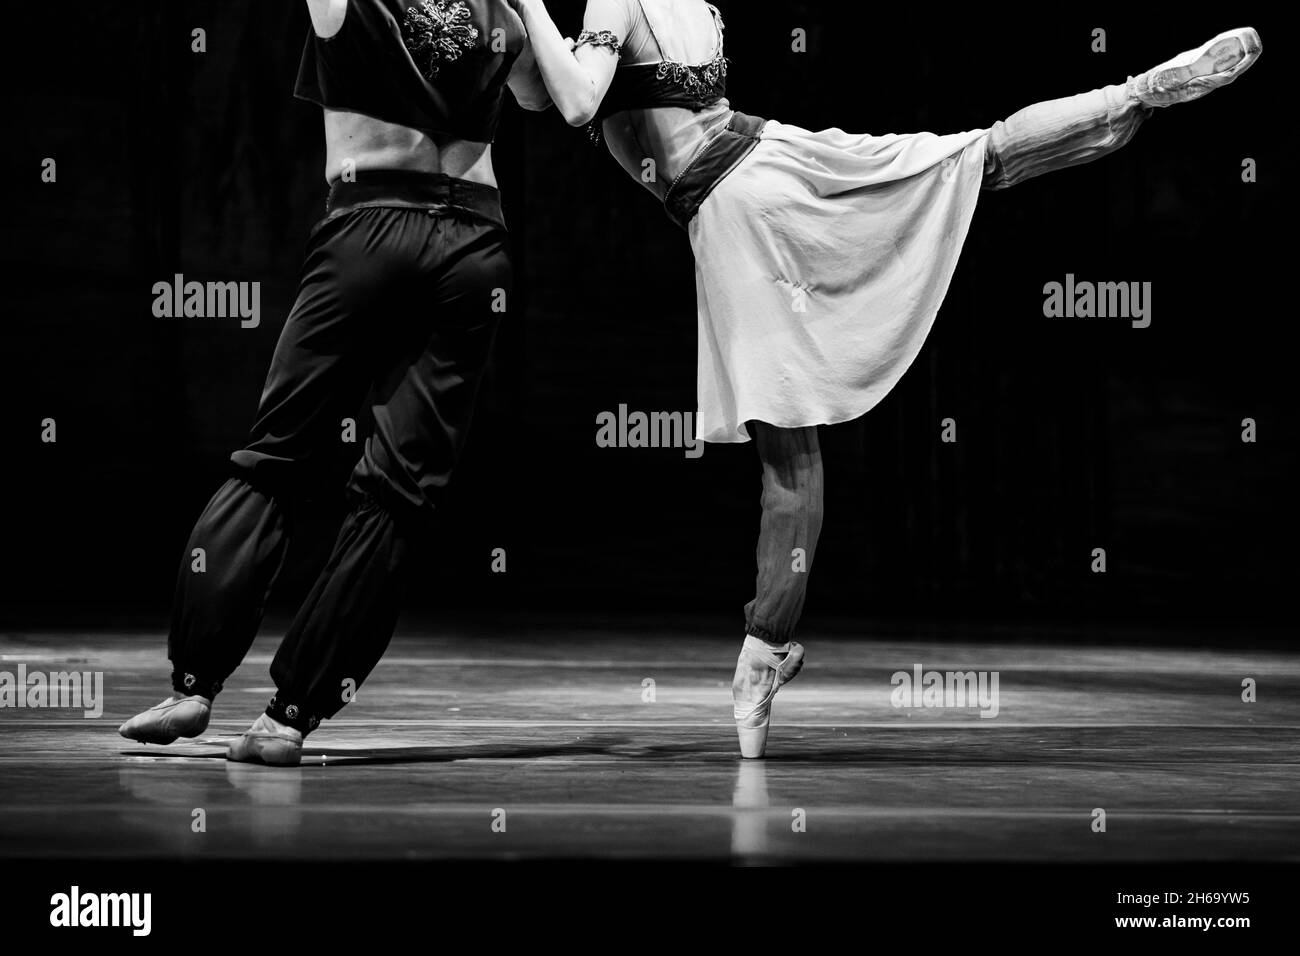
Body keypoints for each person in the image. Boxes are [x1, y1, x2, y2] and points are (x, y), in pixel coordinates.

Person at [509, 0, 1261, 757]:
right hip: (778, 161)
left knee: (789, 455)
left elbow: (572, 102)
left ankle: (762, 655)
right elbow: (543, 85)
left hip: (735, 206)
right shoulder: (699, 8)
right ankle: (1132, 94)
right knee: (972, 160)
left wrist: (530, 8)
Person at [119, 0, 552, 766]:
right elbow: (538, 95)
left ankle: (194, 685)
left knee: (275, 462)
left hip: (370, 228)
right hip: (477, 248)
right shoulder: (500, 7)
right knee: (398, 494)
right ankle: (291, 718)